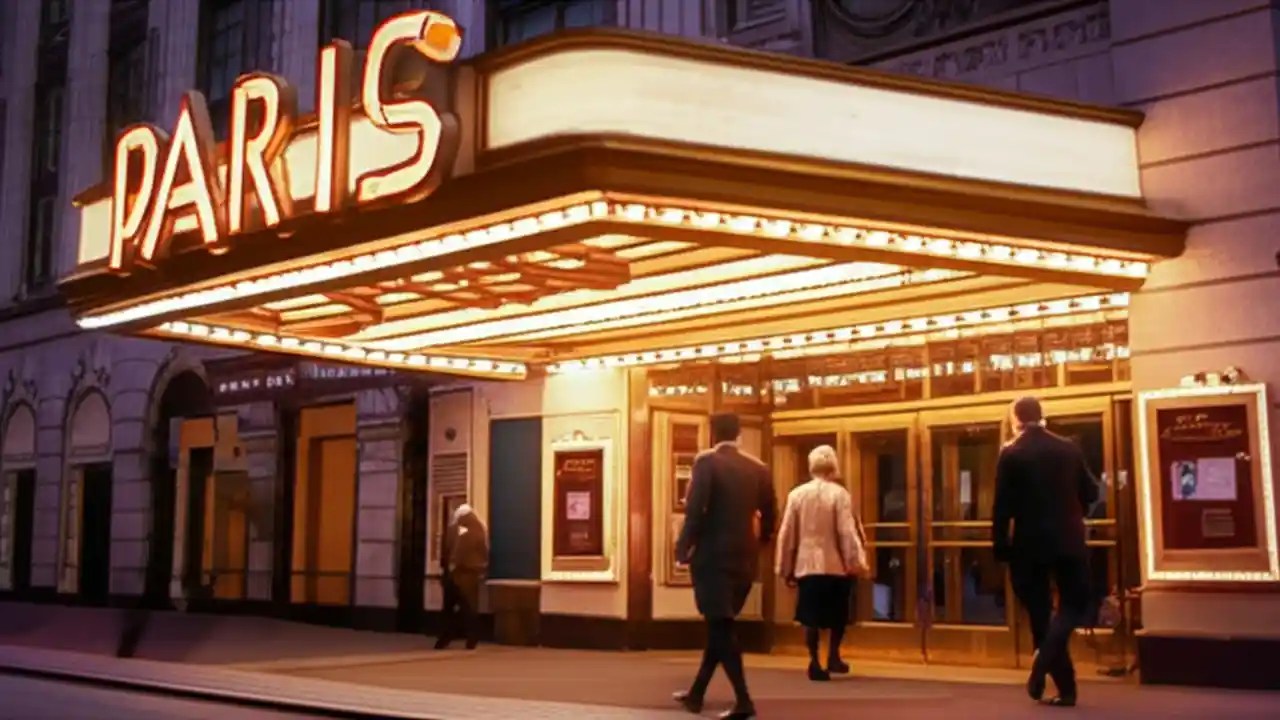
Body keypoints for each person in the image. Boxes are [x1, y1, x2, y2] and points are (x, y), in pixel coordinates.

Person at [992, 396, 1100, 707]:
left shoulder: (1011, 453)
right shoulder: (1068, 448)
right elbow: (1091, 491)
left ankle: (1062, 682)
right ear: (1043, 417)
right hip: (1069, 539)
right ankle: (1052, 669)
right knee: (1073, 605)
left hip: (1029, 544)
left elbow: (1002, 508)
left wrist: (1000, 547)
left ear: (1016, 418)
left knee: (1040, 613)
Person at [673, 413, 777, 720]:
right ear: (739, 433)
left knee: (721, 626)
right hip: (745, 558)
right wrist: (761, 543)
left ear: (712, 433)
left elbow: (696, 509)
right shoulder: (759, 468)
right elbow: (771, 511)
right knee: (722, 626)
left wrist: (683, 546)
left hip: (712, 558)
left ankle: (744, 701)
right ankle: (696, 694)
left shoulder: (706, 462)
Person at [775, 445, 866, 681]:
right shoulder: (840, 494)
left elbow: (787, 533)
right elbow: (846, 532)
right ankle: (834, 655)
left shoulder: (796, 494)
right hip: (835, 564)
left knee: (810, 616)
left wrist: (785, 566)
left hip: (806, 565)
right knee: (838, 614)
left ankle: (814, 660)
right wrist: (854, 561)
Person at [435, 503, 488, 650]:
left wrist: (446, 568)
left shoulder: (455, 529)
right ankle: (471, 639)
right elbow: (483, 552)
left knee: (448, 609)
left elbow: (447, 551)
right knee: (469, 608)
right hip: (468, 574)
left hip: (455, 574)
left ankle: (445, 638)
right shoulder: (478, 529)